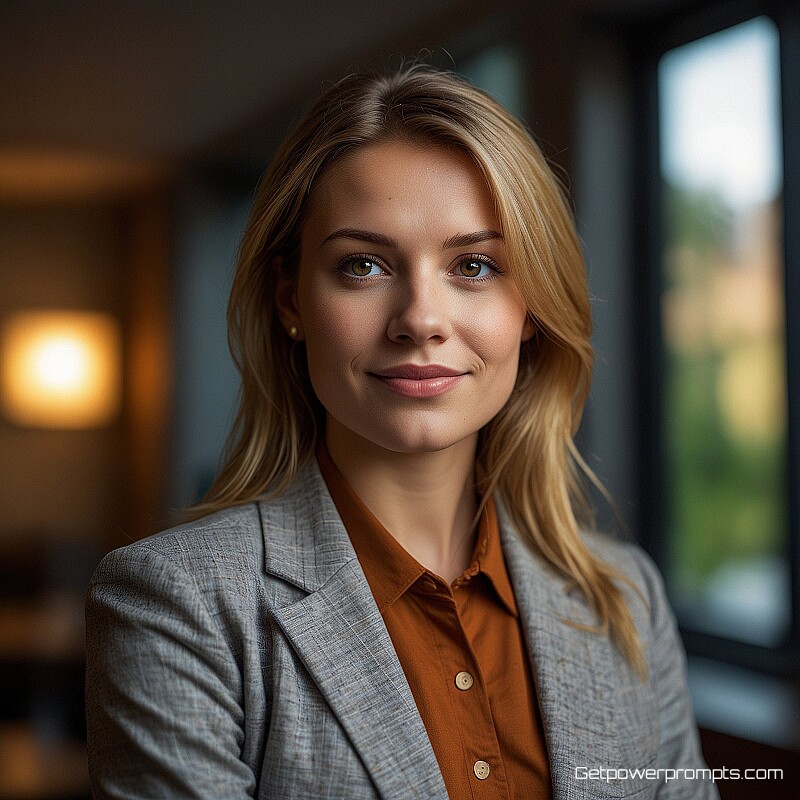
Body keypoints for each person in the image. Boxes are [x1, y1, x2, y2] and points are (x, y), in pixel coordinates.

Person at [85, 64, 717, 800]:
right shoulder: (174, 605)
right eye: (364, 265)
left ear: (533, 304)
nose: (420, 318)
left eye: (474, 265)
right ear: (290, 298)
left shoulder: (624, 600)